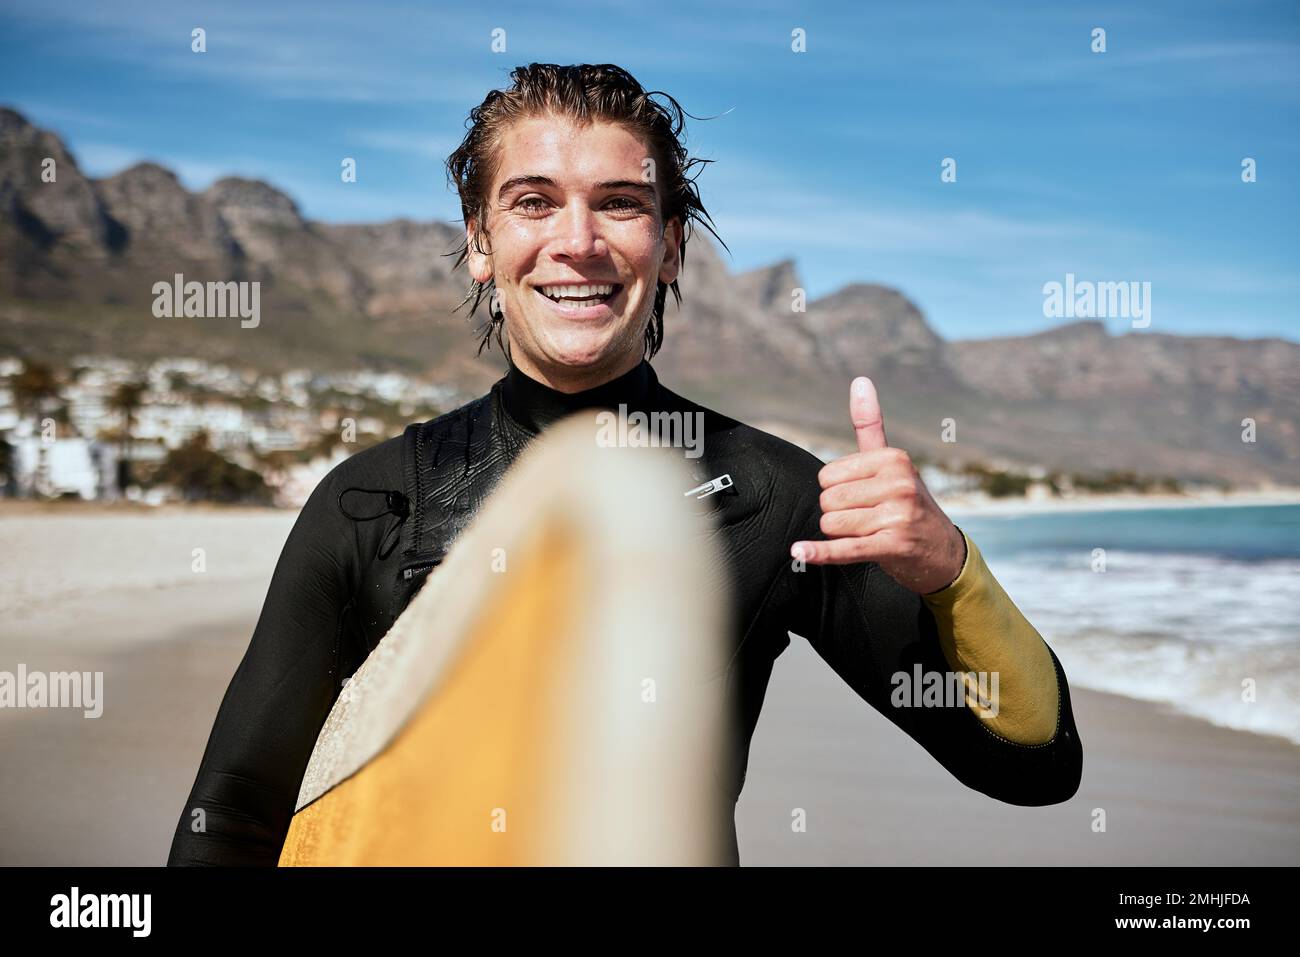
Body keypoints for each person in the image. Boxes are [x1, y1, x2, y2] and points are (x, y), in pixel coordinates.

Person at [167, 63, 1082, 867]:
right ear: (481, 244)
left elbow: (1032, 763)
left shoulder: (772, 494)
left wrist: (952, 573)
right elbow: (236, 812)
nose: (578, 241)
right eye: (533, 201)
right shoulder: (374, 500)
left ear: (671, 244)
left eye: (621, 202)